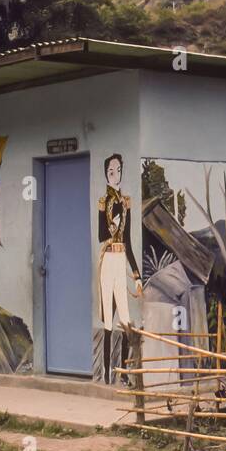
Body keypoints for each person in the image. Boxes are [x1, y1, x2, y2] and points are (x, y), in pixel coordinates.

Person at [97, 153, 142, 384]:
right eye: (111, 171)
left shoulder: (126, 203)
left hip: (121, 257)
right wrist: (112, 223)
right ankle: (106, 374)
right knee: (107, 320)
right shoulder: (104, 202)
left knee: (125, 319)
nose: (115, 175)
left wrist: (137, 275)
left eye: (118, 170)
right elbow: (100, 236)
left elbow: (130, 242)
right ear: (106, 174)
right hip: (107, 262)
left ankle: (123, 374)